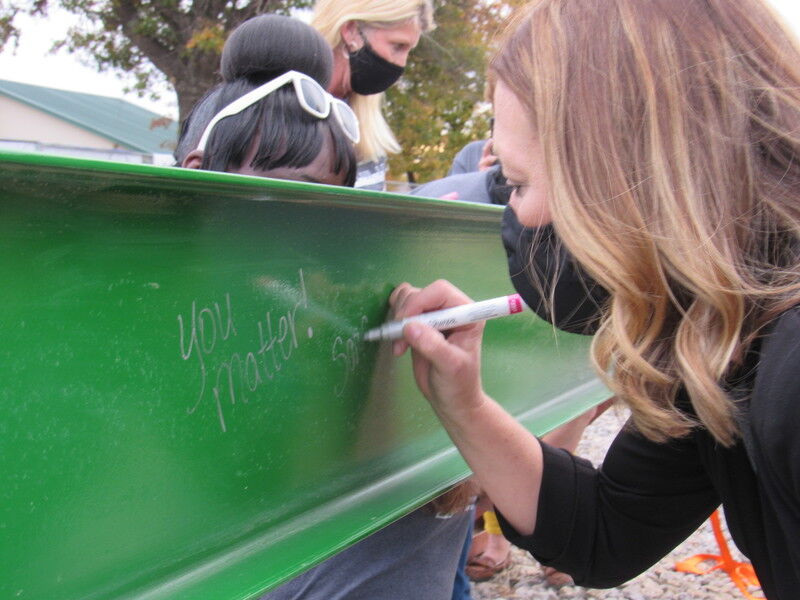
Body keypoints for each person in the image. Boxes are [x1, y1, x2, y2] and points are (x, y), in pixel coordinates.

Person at [387, 1, 800, 598]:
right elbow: (609, 531)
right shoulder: (722, 334)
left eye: (520, 183)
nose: (516, 215)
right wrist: (464, 405)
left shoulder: (788, 369)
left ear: (618, 173)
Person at [310, 0, 435, 190]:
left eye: (408, 51)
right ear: (351, 31)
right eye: (398, 46)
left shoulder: (366, 129)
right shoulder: (279, 110)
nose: (402, 63)